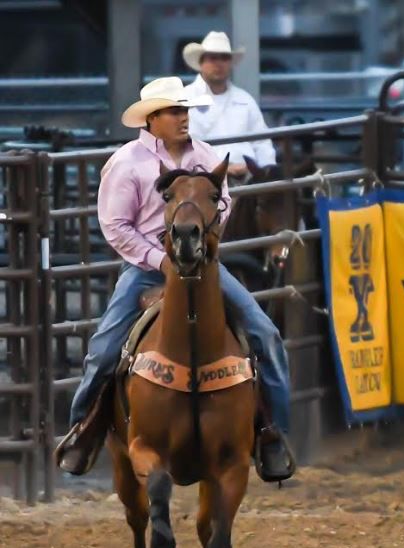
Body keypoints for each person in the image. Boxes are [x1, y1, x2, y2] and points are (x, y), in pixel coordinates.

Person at [52, 77, 296, 482]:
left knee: (264, 333)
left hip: (203, 263)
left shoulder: (205, 155)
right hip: (147, 267)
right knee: (105, 347)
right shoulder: (127, 163)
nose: (184, 118)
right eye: (175, 111)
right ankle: (85, 430)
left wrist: (204, 242)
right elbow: (115, 226)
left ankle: (272, 435)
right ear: (152, 119)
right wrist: (158, 259)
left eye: (186, 110)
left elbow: (224, 201)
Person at [181, 31, 276, 179]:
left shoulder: (245, 99)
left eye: (224, 58)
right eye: (212, 58)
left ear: (230, 63)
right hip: (203, 181)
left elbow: (262, 142)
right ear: (201, 62)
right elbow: (183, 148)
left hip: (249, 178)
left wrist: (266, 172)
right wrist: (219, 168)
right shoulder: (185, 99)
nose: (219, 63)